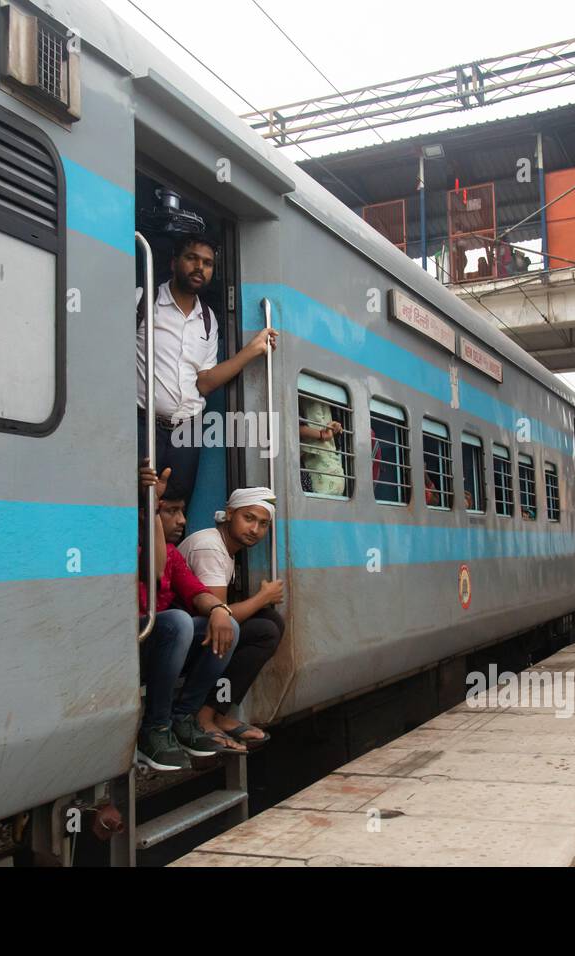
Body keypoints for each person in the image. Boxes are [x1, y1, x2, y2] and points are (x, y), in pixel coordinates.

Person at [136, 234, 277, 508]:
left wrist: (252, 349)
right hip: (141, 426)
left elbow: (205, 383)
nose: (200, 267)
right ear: (174, 262)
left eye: (208, 263)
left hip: (186, 433)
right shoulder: (143, 300)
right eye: (192, 258)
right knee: (135, 508)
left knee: (174, 514)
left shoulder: (209, 320)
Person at [136, 462, 244, 771]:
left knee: (229, 626)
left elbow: (198, 593)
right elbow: (153, 571)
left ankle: (183, 717)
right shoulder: (126, 546)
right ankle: (154, 728)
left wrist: (219, 610)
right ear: (147, 513)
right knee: (178, 622)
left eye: (181, 511)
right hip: (130, 647)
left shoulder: (172, 553)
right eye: (170, 511)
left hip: (157, 648)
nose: (182, 520)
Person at [178, 487, 285, 749]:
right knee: (262, 629)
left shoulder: (225, 548)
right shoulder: (210, 547)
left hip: (195, 631)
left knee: (271, 622)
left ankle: (218, 713)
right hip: (180, 637)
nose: (255, 529)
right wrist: (263, 596)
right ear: (229, 514)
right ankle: (203, 716)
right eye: (248, 518)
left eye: (263, 524)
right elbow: (219, 614)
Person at [299, 396, 345, 495]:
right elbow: (295, 426)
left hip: (327, 460)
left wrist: (334, 427)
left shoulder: (324, 395)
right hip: (318, 458)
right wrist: (323, 435)